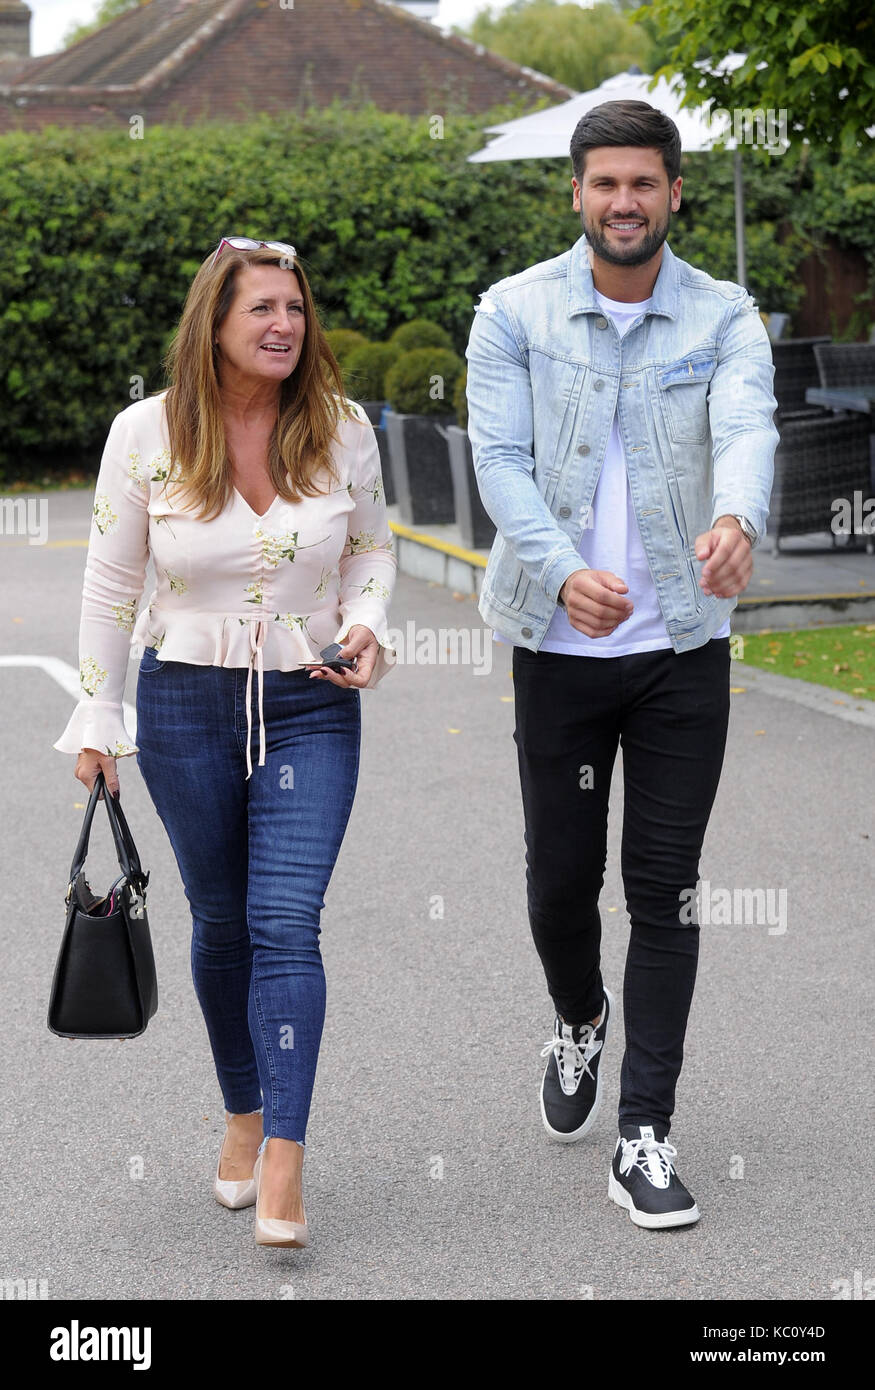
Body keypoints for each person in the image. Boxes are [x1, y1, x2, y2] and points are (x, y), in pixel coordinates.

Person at [465, 102, 778, 1228]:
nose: (623, 202)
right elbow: (497, 459)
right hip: (555, 646)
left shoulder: (722, 313)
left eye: (642, 183)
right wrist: (554, 571)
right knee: (558, 883)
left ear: (673, 193)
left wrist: (737, 516)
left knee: (664, 888)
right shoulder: (513, 312)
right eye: (604, 183)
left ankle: (643, 1130)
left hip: (680, 649)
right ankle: (577, 1015)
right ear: (576, 194)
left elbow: (747, 425)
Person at [54, 236, 397, 1248]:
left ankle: (284, 1152)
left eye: (295, 308)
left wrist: (369, 624)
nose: (284, 324)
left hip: (309, 700)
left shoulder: (339, 429)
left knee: (286, 920)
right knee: (222, 920)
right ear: (215, 322)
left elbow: (374, 551)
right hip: (184, 705)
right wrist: (97, 717)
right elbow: (111, 586)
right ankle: (242, 1110)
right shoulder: (144, 435)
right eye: (261, 309)